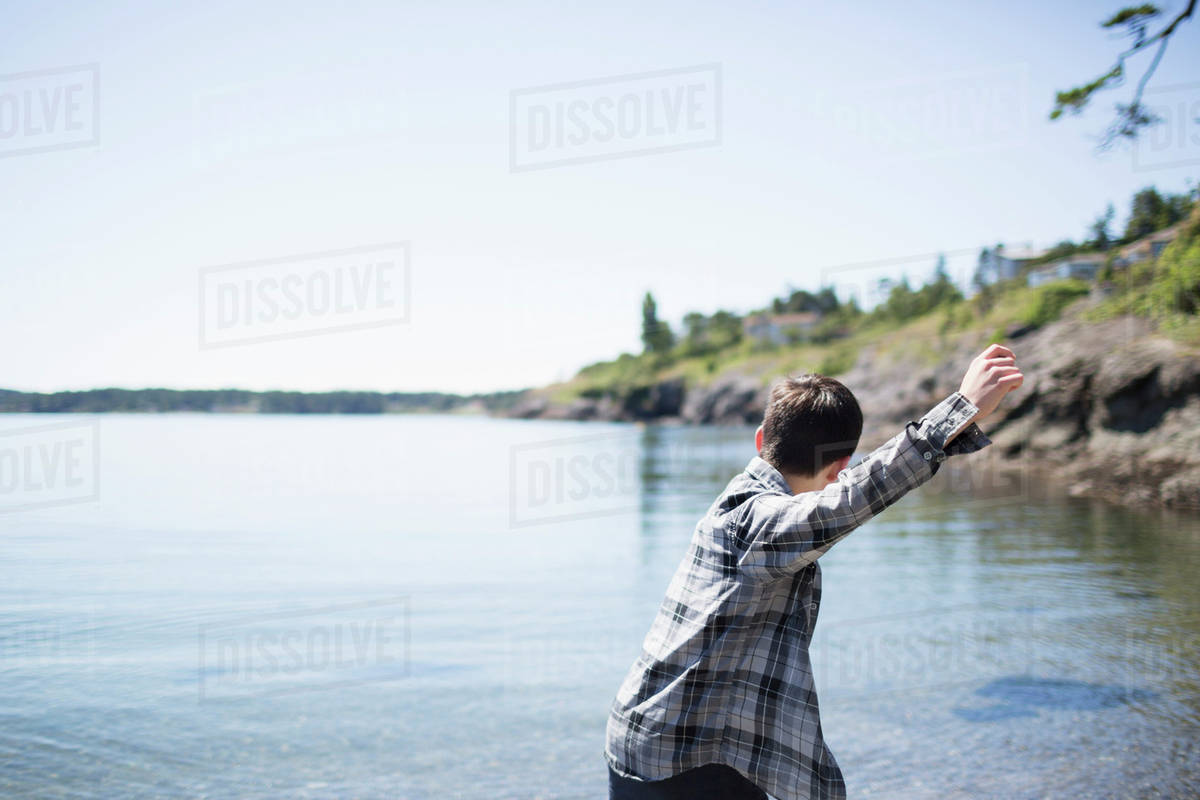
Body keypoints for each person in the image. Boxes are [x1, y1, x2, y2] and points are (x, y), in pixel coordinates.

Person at [604, 344, 1024, 800]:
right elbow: (849, 502)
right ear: (841, 467)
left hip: (673, 742)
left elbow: (838, 501)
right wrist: (957, 411)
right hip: (678, 758)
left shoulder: (738, 504)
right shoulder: (755, 522)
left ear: (762, 439)